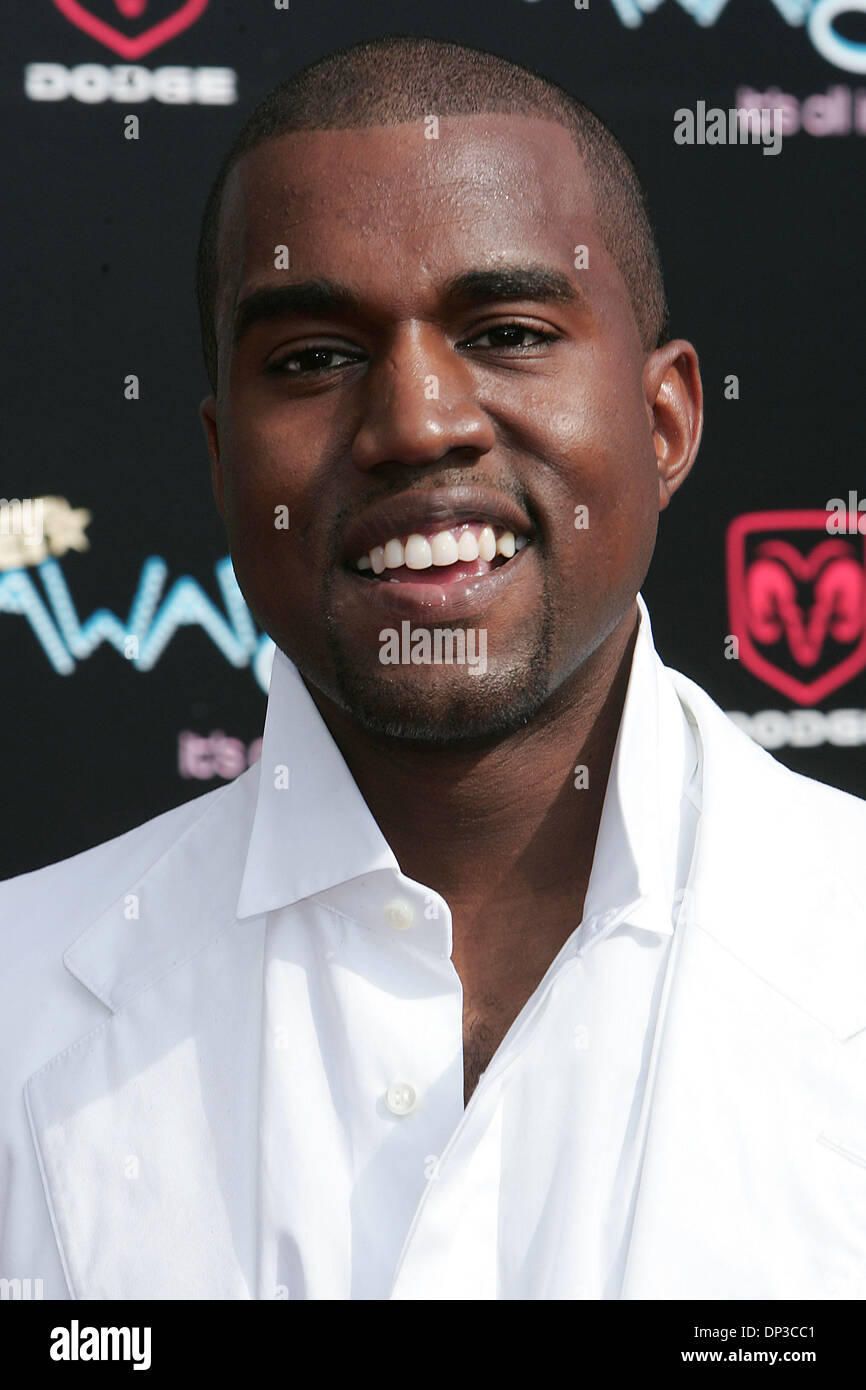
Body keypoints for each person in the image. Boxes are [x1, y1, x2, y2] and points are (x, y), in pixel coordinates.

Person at [2, 35, 865, 1302]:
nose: (415, 421)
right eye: (311, 359)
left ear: (665, 419)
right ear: (221, 459)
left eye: (507, 331)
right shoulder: (19, 998)